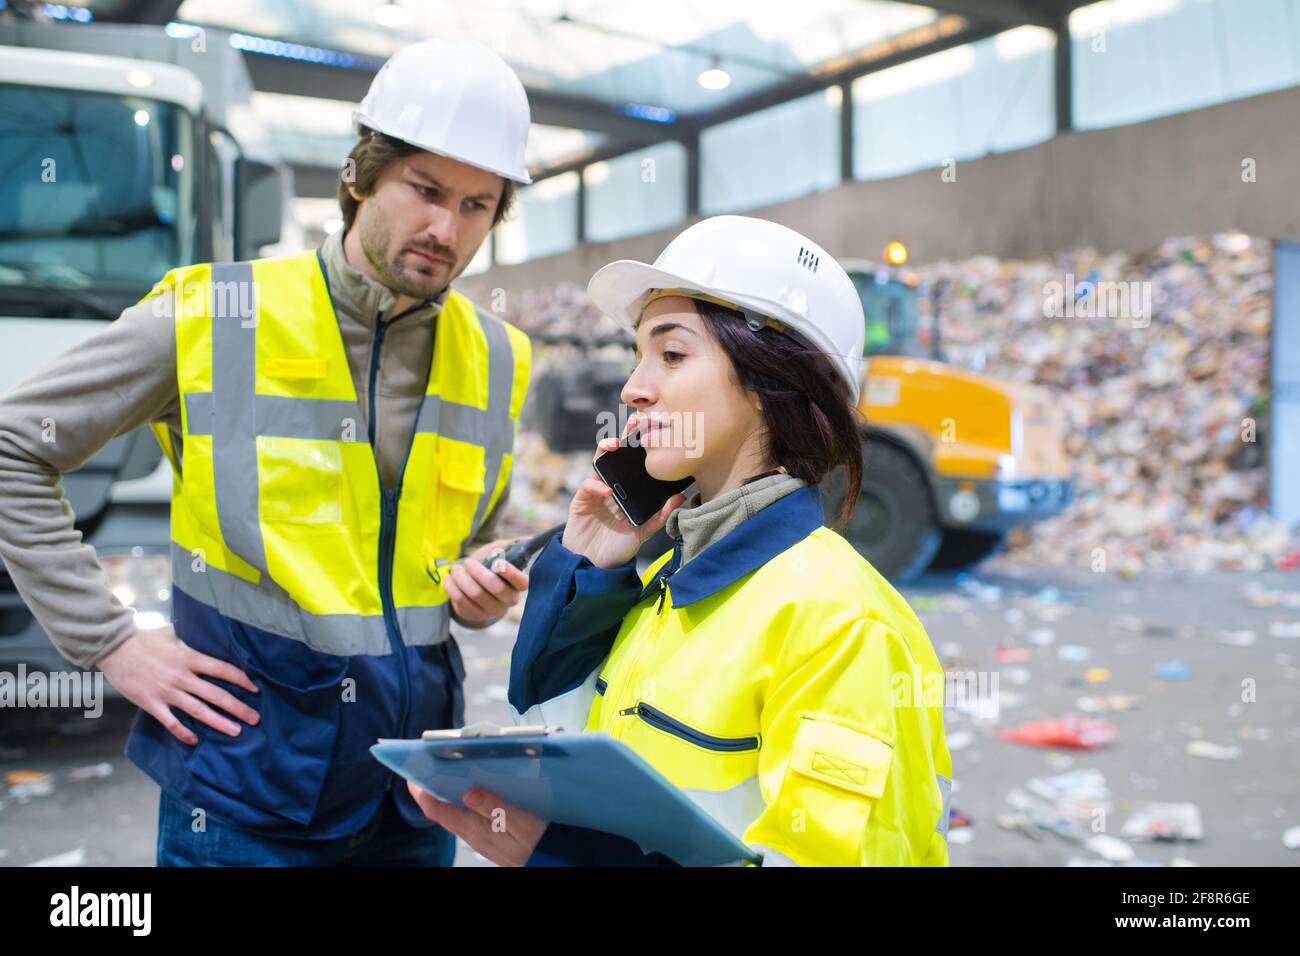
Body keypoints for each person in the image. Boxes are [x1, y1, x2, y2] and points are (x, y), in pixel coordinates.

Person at [0, 38, 535, 866]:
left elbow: (470, 543)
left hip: (415, 796)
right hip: (248, 793)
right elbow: (11, 447)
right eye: (425, 189)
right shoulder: (215, 315)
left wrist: (485, 583)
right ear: (360, 174)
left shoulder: (499, 357)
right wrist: (110, 642)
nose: (445, 228)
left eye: (476, 205)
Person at [406, 215, 953, 866]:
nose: (634, 388)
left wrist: (561, 859)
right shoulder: (670, 580)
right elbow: (558, 732)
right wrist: (586, 571)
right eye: (640, 355)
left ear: (770, 380)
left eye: (671, 353)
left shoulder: (844, 625)